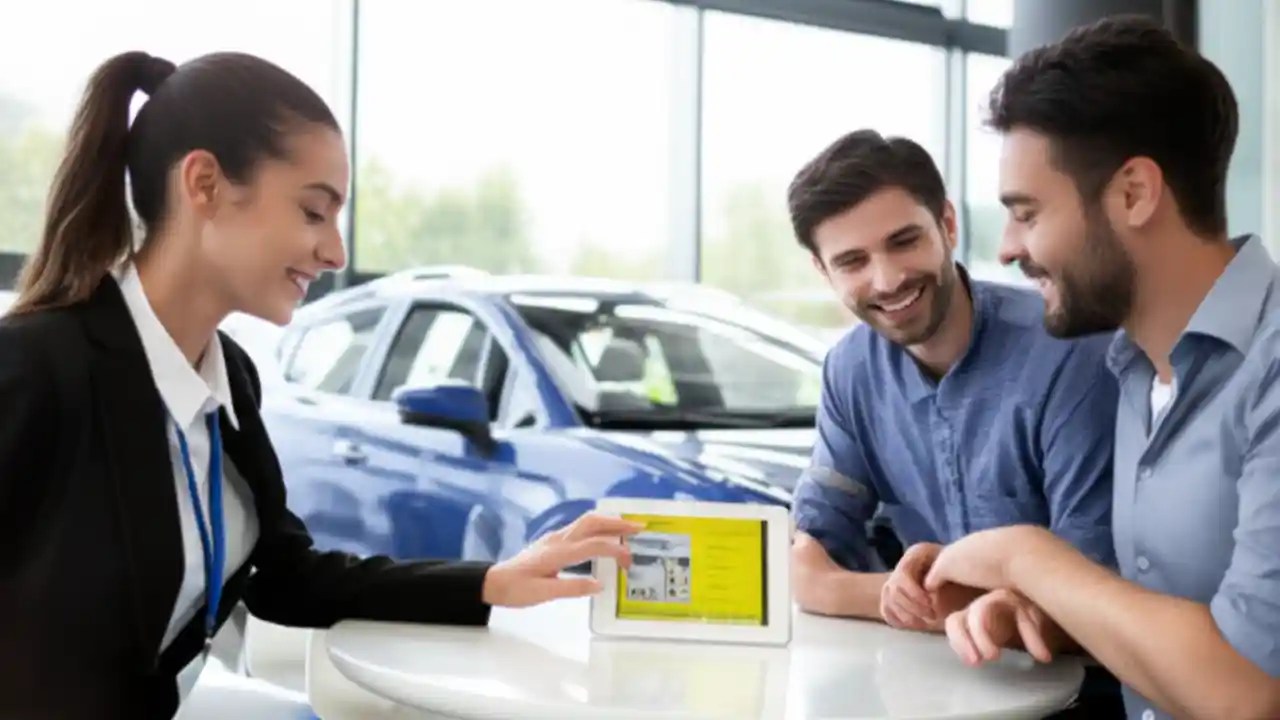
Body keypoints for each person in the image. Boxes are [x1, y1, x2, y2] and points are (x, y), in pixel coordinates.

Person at [0, 51, 640, 720]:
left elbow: (286, 577)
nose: (335, 253)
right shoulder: (37, 370)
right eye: (313, 212)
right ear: (206, 184)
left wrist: (492, 581)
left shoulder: (228, 380)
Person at [921, 16, 1280, 720]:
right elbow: (1169, 606)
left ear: (1134, 195)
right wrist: (1041, 612)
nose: (1006, 249)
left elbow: (1247, 688)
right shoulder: (1136, 370)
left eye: (1026, 213)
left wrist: (1027, 558)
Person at [785, 129, 1117, 632]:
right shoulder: (850, 369)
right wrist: (898, 594)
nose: (888, 279)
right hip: (932, 684)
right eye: (852, 261)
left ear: (947, 223)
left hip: (1074, 691)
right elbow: (812, 553)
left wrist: (844, 591)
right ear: (822, 270)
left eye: (904, 241)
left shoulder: (1070, 352)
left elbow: (1090, 592)